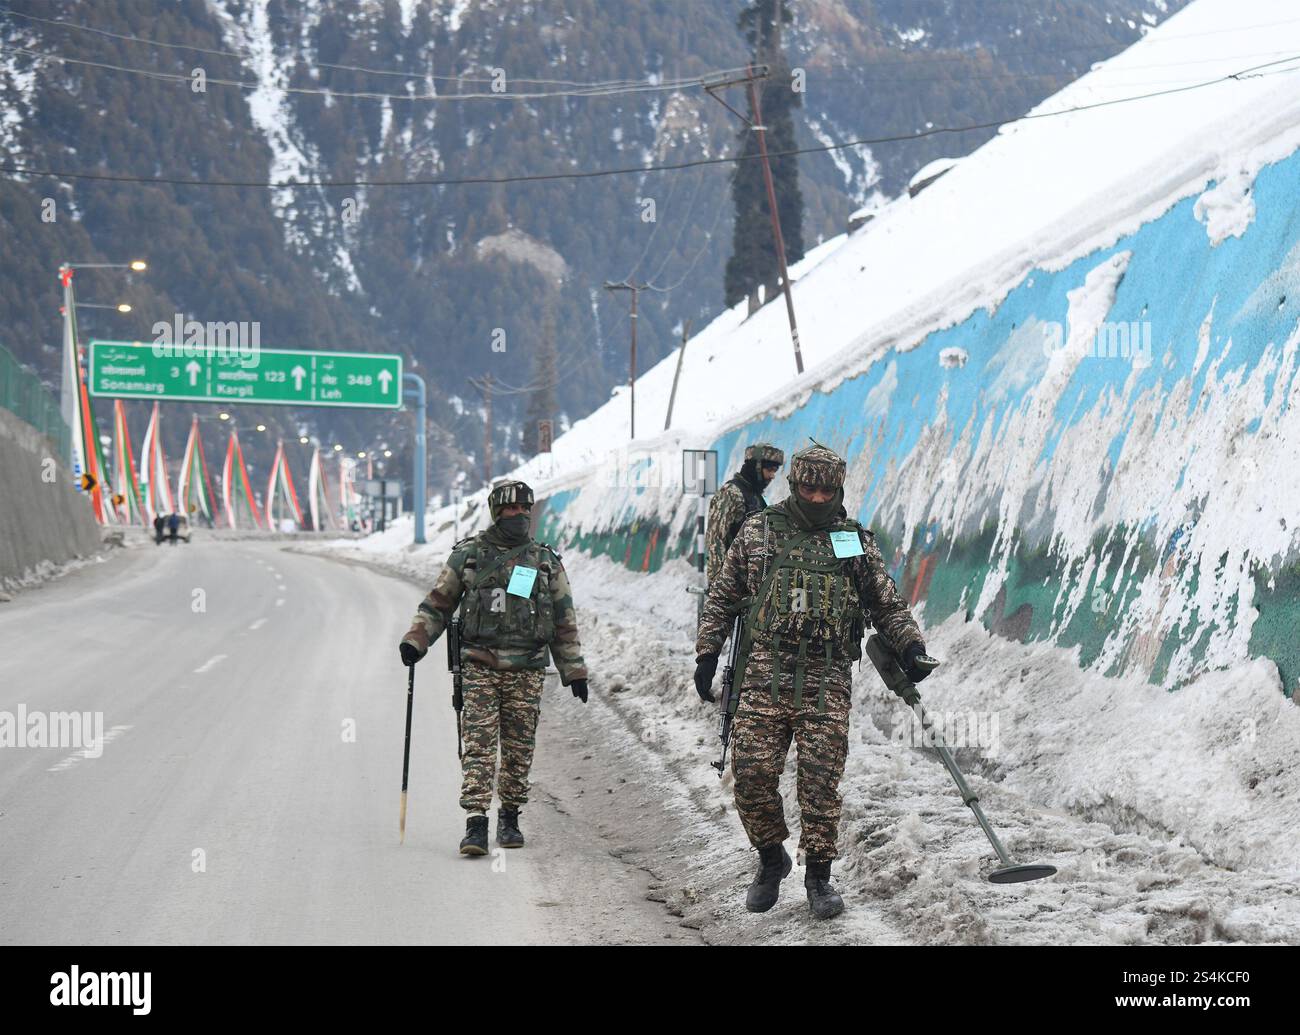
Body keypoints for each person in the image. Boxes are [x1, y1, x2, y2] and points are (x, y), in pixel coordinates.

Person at [694, 442, 931, 920]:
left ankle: (819, 878)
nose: (818, 498)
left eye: (827, 491)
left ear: (838, 488)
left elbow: (885, 601)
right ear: (794, 484)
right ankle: (770, 857)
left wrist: (909, 644)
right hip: (765, 673)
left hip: (826, 677)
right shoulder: (758, 532)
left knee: (821, 783)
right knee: (752, 774)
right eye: (809, 488)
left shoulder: (853, 541)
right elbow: (723, 593)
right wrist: (707, 652)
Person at [398, 480, 589, 855]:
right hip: (479, 665)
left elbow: (564, 619)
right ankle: (476, 823)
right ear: (496, 513)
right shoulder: (469, 556)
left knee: (519, 747)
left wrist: (574, 671)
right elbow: (438, 603)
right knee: (480, 746)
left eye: (523, 510)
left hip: (527, 668)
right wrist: (416, 640)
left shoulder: (545, 561)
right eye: (510, 510)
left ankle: (510, 818)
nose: (517, 516)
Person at [706, 443, 784, 585]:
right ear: (757, 467)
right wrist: (718, 585)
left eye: (775, 471)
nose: (772, 476)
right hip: (732, 584)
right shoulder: (731, 493)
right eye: (769, 469)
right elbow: (715, 541)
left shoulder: (757, 497)